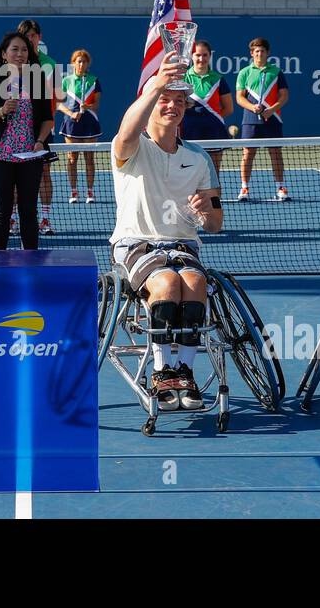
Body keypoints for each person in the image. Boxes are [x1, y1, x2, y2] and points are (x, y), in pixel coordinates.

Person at [110, 52, 222, 412]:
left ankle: (184, 371)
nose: (171, 106)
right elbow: (128, 128)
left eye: (178, 101)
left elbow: (216, 222)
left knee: (194, 283)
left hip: (183, 245)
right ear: (151, 103)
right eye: (164, 99)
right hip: (136, 245)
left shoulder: (200, 158)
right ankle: (161, 373)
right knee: (166, 284)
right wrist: (157, 82)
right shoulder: (132, 149)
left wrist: (208, 210)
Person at [0, 30, 56, 251]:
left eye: (24, 50)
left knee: (28, 210)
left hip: (31, 156)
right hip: (0, 156)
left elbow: (48, 120)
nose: (20, 54)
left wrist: (40, 141)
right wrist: (1, 111)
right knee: (2, 211)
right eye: (15, 49)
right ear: (4, 54)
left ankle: (30, 263)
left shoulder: (36, 79)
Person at [234, 36, 289, 202]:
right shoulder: (244, 73)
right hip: (250, 119)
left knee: (276, 154)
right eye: (256, 51)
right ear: (252, 53)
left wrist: (271, 110)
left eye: (262, 51)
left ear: (267, 53)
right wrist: (253, 107)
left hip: (272, 119)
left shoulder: (276, 72)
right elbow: (239, 98)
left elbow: (284, 96)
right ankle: (244, 188)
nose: (259, 54)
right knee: (247, 154)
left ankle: (280, 187)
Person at [17, 19, 58, 234]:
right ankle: (13, 219)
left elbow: (51, 96)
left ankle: (45, 218)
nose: (30, 39)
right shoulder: (9, 64)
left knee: (43, 172)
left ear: (39, 38)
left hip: (40, 128)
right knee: (13, 174)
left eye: (33, 35)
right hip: (14, 130)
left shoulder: (49, 64)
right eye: (26, 35)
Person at [180, 38, 235, 175]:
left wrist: (210, 118)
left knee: (213, 174)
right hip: (189, 133)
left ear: (210, 56)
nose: (201, 58)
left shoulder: (218, 79)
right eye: (198, 55)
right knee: (190, 174)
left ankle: (215, 198)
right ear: (192, 56)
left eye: (205, 55)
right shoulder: (183, 78)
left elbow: (228, 108)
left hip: (214, 133)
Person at [55, 49, 102, 203]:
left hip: (89, 123)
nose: (81, 64)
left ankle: (90, 192)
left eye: (84, 61)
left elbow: (96, 105)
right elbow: (58, 104)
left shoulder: (94, 81)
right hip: (71, 124)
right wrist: (71, 113)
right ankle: (74, 192)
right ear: (73, 63)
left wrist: (86, 107)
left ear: (88, 64)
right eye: (78, 61)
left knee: (89, 159)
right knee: (72, 159)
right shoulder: (66, 81)